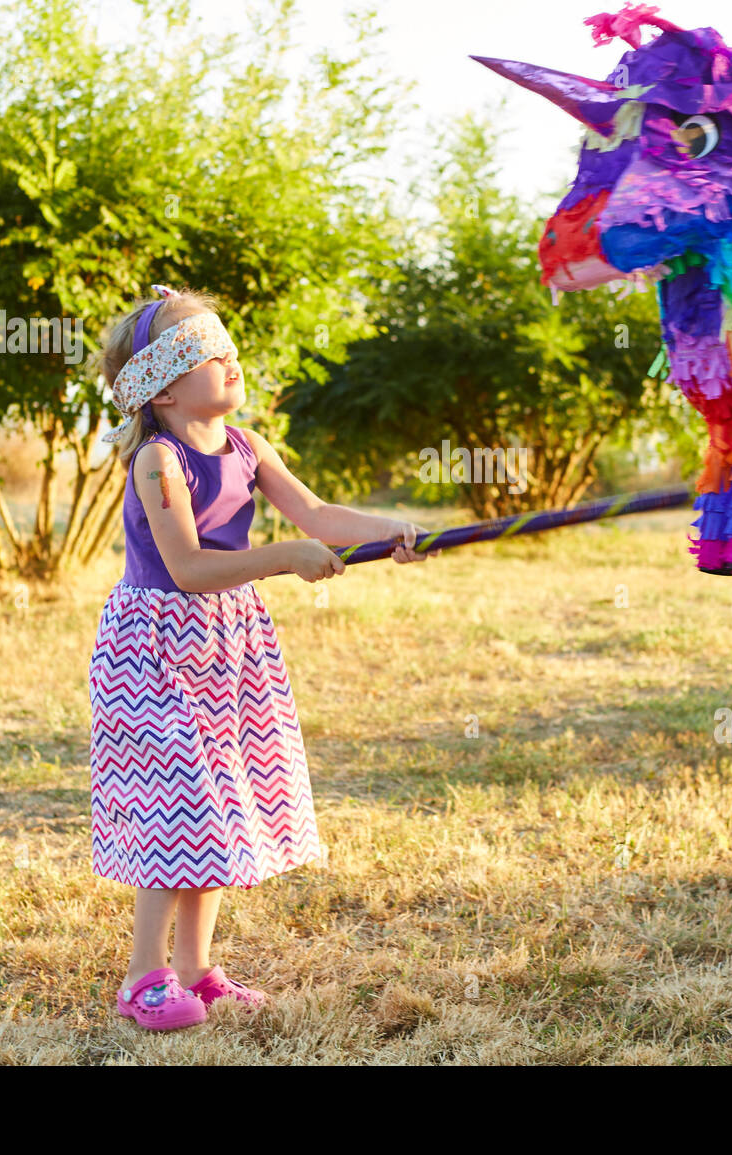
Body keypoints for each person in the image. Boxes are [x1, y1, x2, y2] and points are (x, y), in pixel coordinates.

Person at [88, 284, 435, 1030]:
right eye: (210, 354)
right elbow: (187, 567)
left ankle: (196, 969)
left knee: (215, 804)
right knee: (176, 805)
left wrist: (391, 528)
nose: (231, 362)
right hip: (154, 648)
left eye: (229, 347)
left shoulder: (248, 447)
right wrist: (283, 558)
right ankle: (143, 976)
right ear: (167, 385)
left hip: (226, 647)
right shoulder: (158, 460)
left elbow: (315, 515)